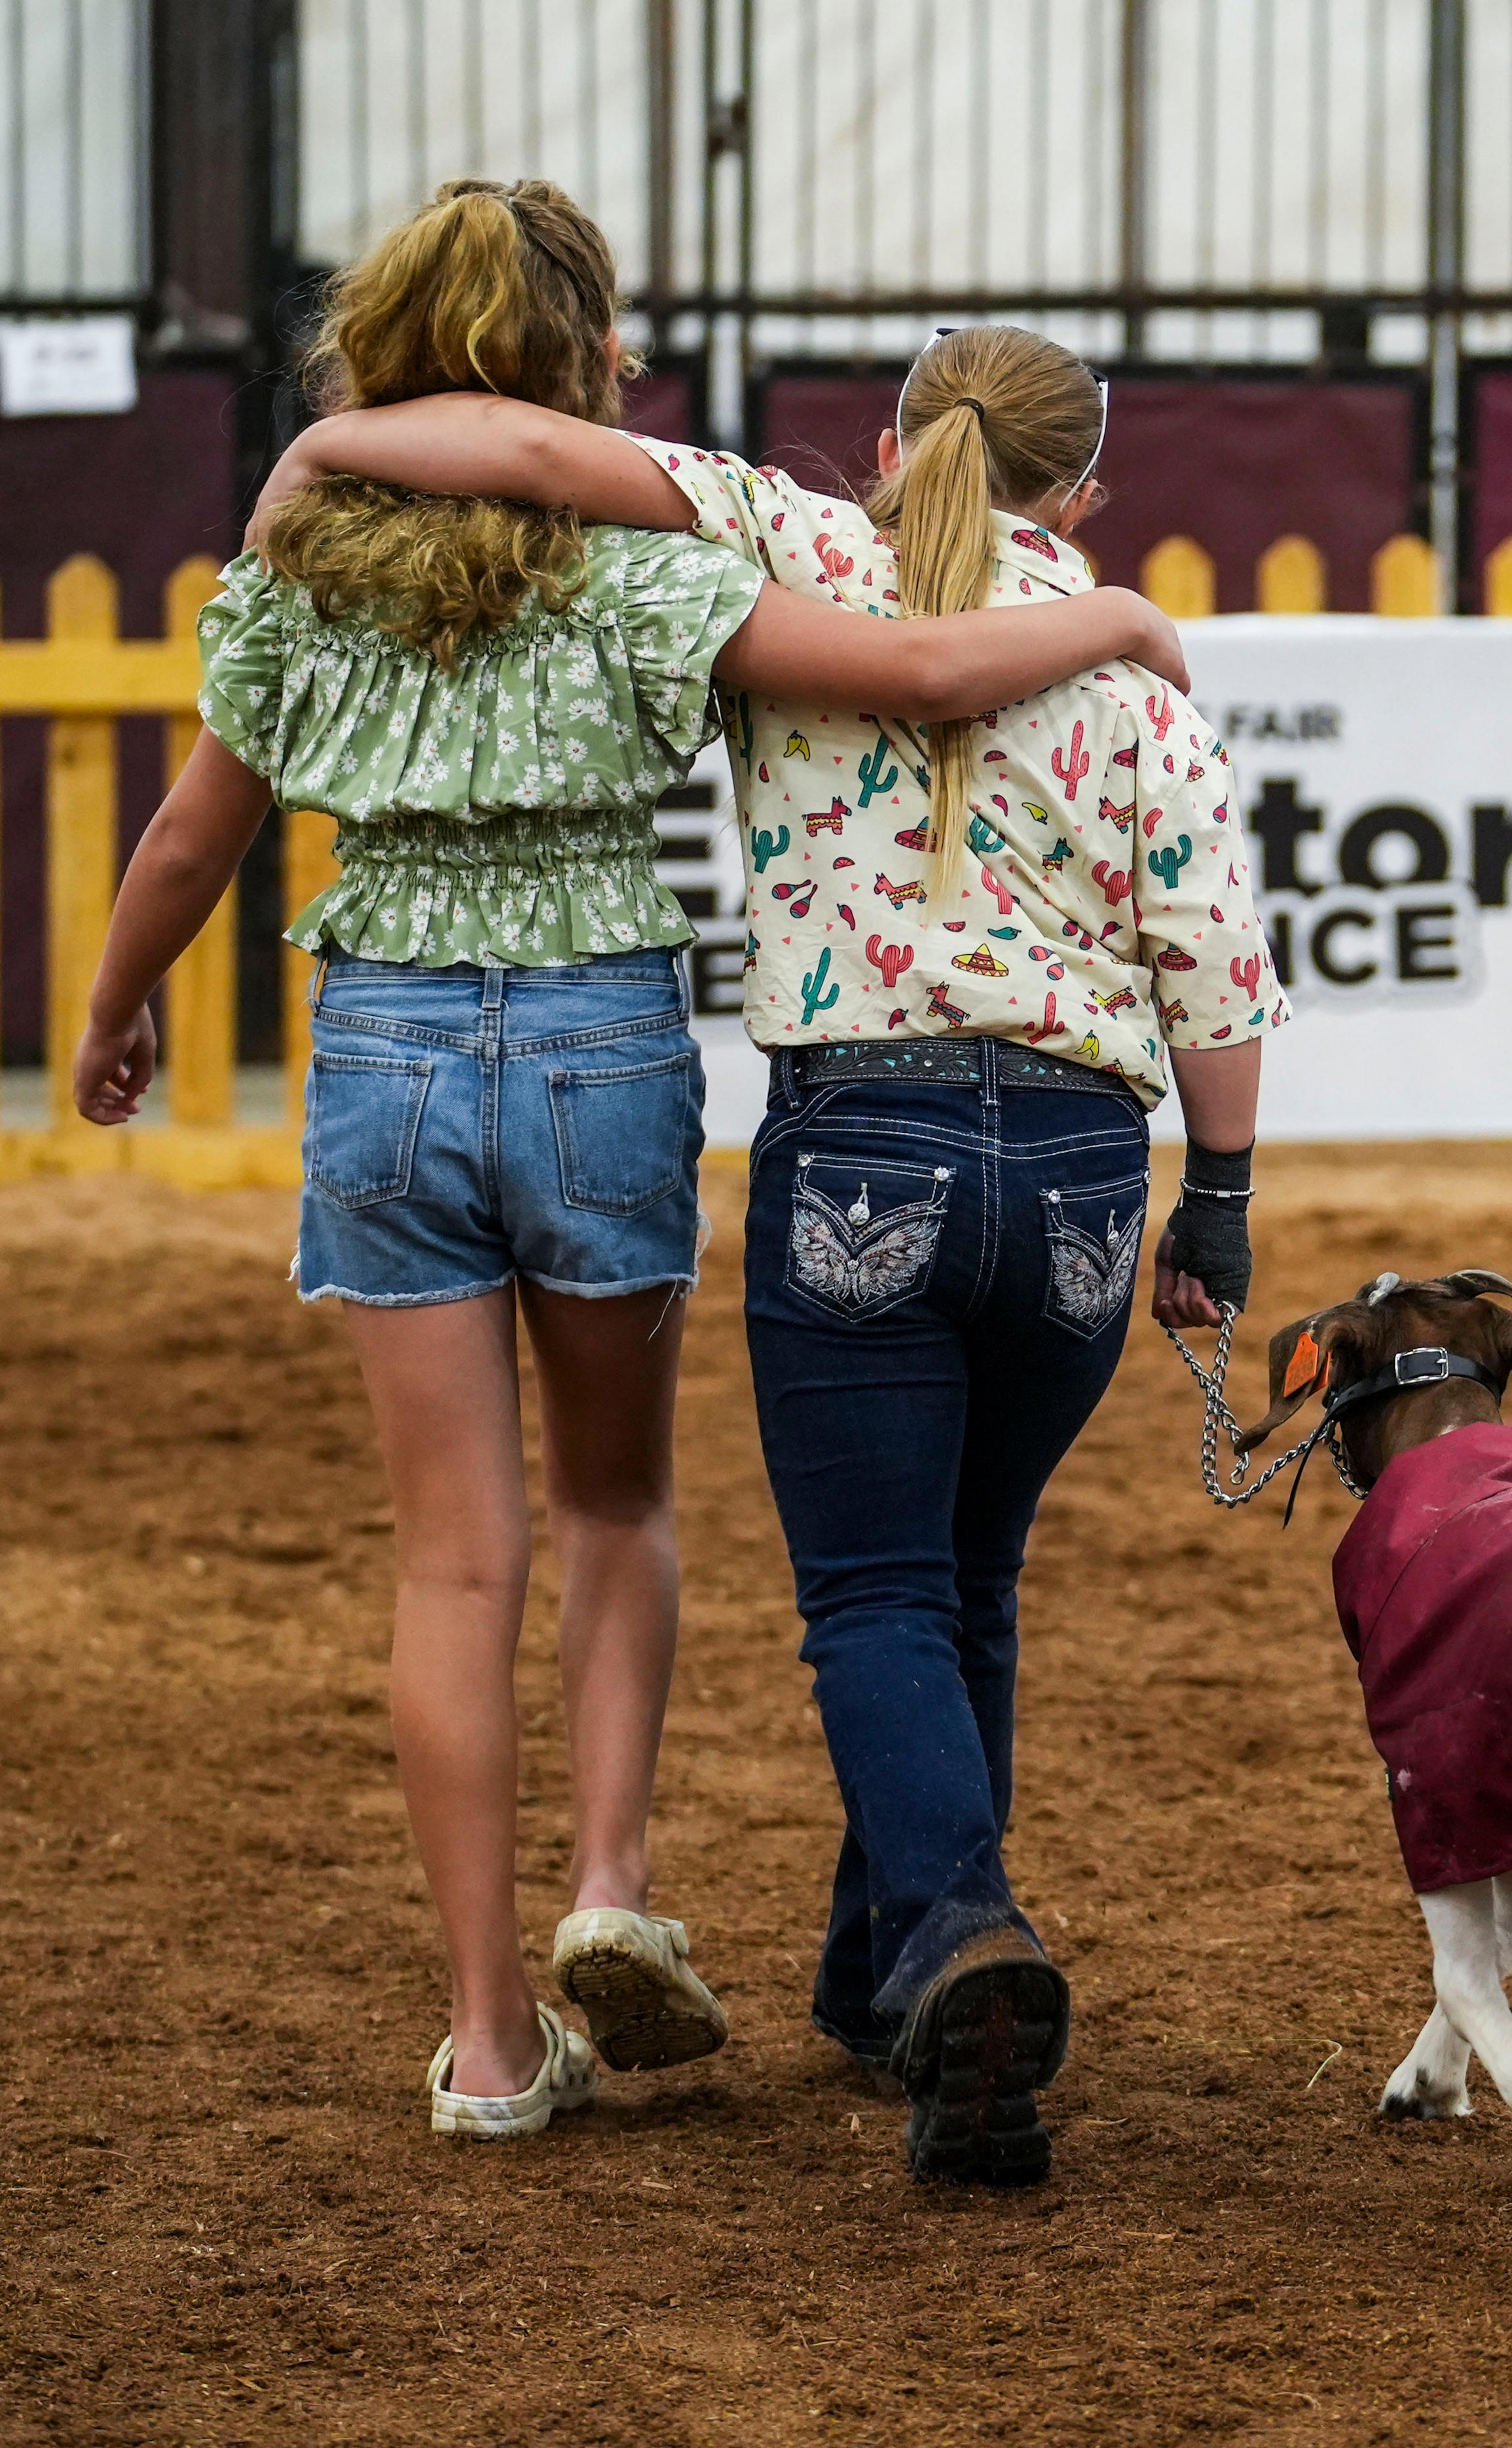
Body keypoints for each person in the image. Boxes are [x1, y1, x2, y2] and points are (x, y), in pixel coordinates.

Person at [75, 195, 1194, 2146]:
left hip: (389, 1052)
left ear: (385, 351)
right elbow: (926, 676)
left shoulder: (292, 577)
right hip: (600, 1053)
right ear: (587, 356)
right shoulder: (647, 576)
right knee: (617, 1504)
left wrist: (112, 1004)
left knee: (451, 1559)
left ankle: (495, 2043)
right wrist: (1120, 614)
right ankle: (610, 1879)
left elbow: (190, 839)